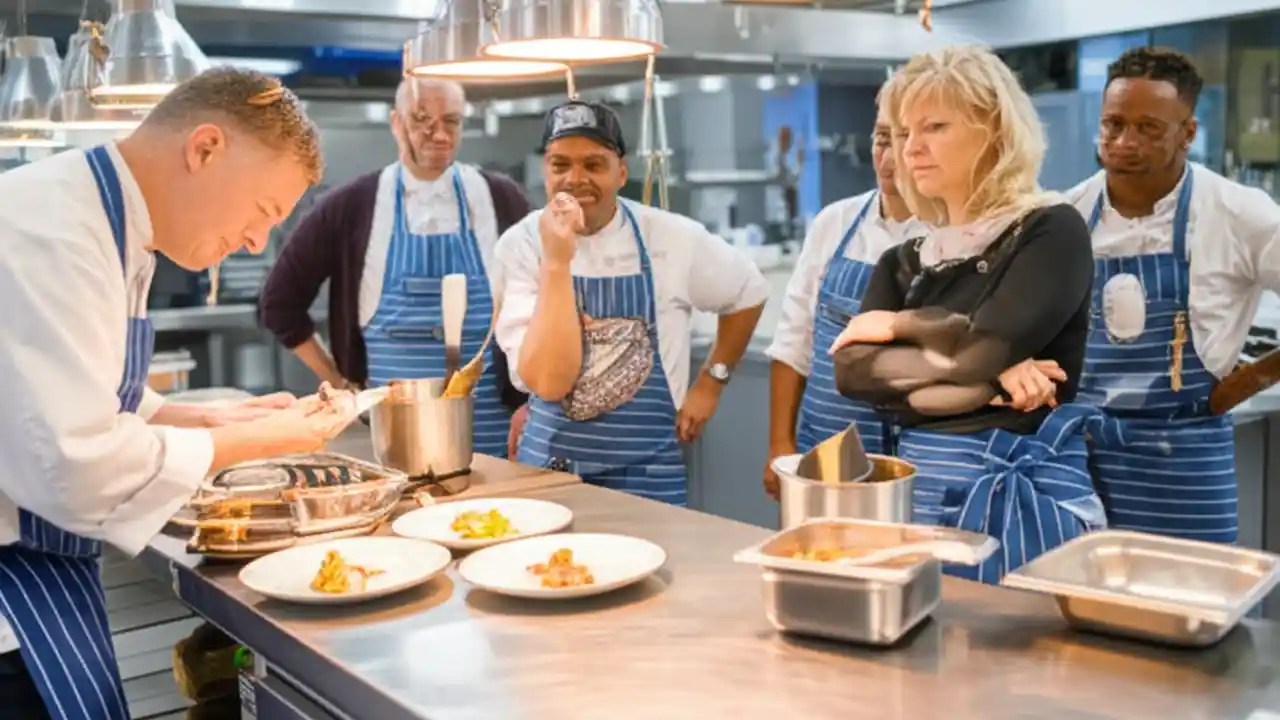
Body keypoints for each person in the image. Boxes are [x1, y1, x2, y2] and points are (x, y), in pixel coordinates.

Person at [0, 69, 356, 720]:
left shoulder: (111, 225)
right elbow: (75, 464)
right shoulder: (52, 231)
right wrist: (266, 438)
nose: (255, 242)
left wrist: (218, 415)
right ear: (205, 148)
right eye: (262, 213)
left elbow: (89, 396)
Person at [831, 46, 1106, 584]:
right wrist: (989, 373)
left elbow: (975, 353)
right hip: (919, 491)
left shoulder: (1050, 230)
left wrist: (897, 328)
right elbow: (853, 372)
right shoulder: (904, 259)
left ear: (994, 133)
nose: (912, 148)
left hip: (1017, 500)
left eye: (935, 126)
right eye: (905, 132)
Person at [494, 100, 769, 506]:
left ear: (621, 172)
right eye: (560, 165)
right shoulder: (520, 246)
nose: (575, 179)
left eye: (593, 165)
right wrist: (556, 259)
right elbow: (549, 382)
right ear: (544, 171)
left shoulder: (672, 239)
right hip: (552, 466)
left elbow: (748, 291)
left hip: (649, 471)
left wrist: (712, 382)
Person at [1064, 47, 1280, 544]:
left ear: (1188, 133)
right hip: (1080, 461)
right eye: (1113, 124)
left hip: (1187, 464)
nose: (1124, 142)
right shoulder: (1067, 215)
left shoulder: (1237, 213)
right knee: (1083, 612)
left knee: (1193, 609)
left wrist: (1245, 382)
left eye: (1148, 128)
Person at [260, 77, 532, 458]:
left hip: (493, 425)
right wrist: (338, 381)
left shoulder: (501, 199)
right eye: (422, 120)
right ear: (395, 123)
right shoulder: (350, 205)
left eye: (451, 121)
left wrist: (533, 400)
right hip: (395, 432)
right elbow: (279, 303)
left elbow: (539, 300)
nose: (439, 134)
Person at [763, 73, 926, 499]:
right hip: (826, 450)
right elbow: (794, 338)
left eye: (905, 140)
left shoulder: (954, 233)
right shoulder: (834, 223)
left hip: (916, 458)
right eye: (882, 139)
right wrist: (780, 444)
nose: (890, 158)